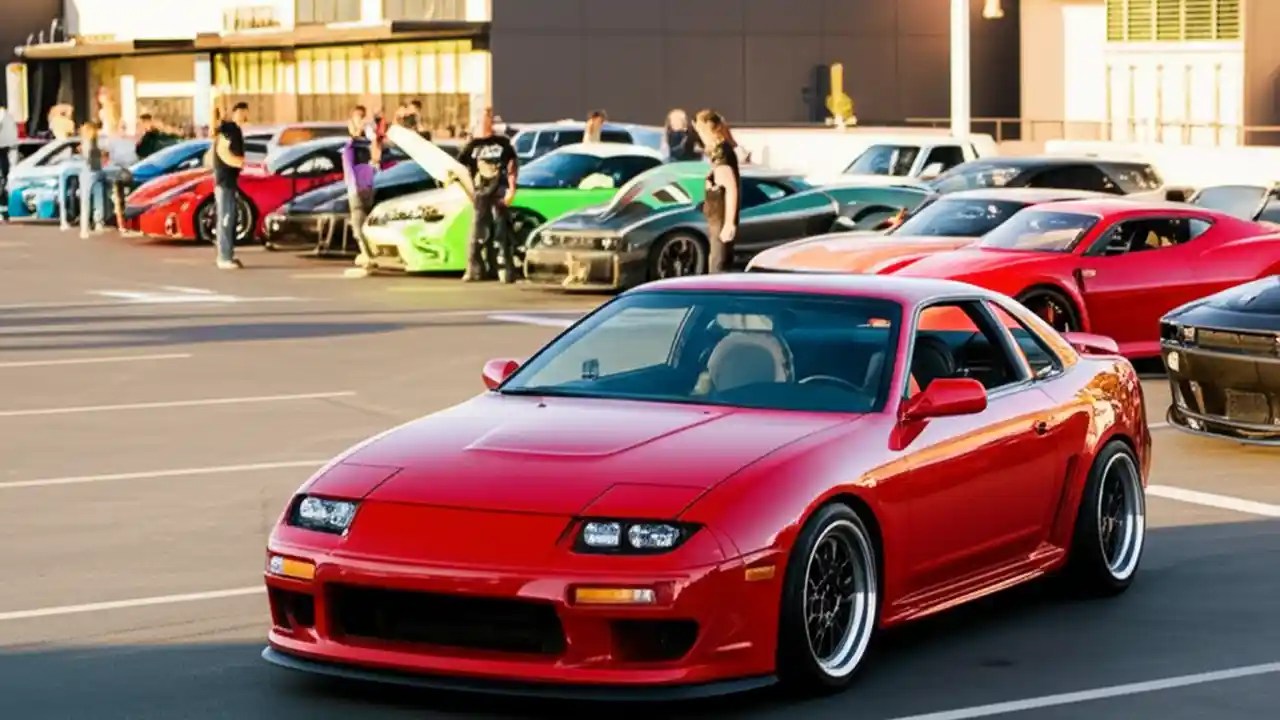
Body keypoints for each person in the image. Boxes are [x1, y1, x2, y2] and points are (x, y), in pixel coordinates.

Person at [457, 106, 518, 283]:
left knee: (501, 232)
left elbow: (512, 167)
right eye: (484, 119)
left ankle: (505, 271)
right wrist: (468, 191)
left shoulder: (502, 142)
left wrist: (512, 189)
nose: (487, 122)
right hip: (480, 193)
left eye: (489, 119)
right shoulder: (472, 146)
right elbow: (460, 170)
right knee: (477, 233)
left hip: (499, 191)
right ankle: (475, 270)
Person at [694, 109, 740, 274]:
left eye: (700, 131)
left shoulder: (721, 154)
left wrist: (729, 223)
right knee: (717, 260)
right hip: (716, 215)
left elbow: (731, 188)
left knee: (718, 263)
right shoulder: (719, 152)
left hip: (720, 217)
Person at [343, 110, 381, 276]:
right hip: (367, 187)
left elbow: (351, 171)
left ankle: (369, 257)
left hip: (359, 190)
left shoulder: (352, 147)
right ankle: (369, 256)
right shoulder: (365, 145)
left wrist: (356, 188)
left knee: (359, 227)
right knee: (363, 225)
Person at [212, 102, 248, 269]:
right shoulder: (228, 130)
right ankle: (224, 257)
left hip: (230, 182)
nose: (243, 116)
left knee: (230, 218)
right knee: (225, 219)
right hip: (225, 181)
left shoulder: (235, 130)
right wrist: (238, 162)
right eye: (240, 112)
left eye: (245, 112)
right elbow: (223, 151)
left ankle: (229, 255)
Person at [78, 121, 108, 238]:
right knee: (97, 198)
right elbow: (102, 155)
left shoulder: (87, 142)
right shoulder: (96, 142)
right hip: (96, 170)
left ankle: (86, 227)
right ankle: (97, 223)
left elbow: (86, 157)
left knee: (86, 200)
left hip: (89, 171)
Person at [0, 106, 17, 194]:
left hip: (3, 143)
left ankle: (5, 179)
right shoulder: (6, 114)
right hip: (6, 143)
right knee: (4, 159)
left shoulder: (2, 114)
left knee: (3, 160)